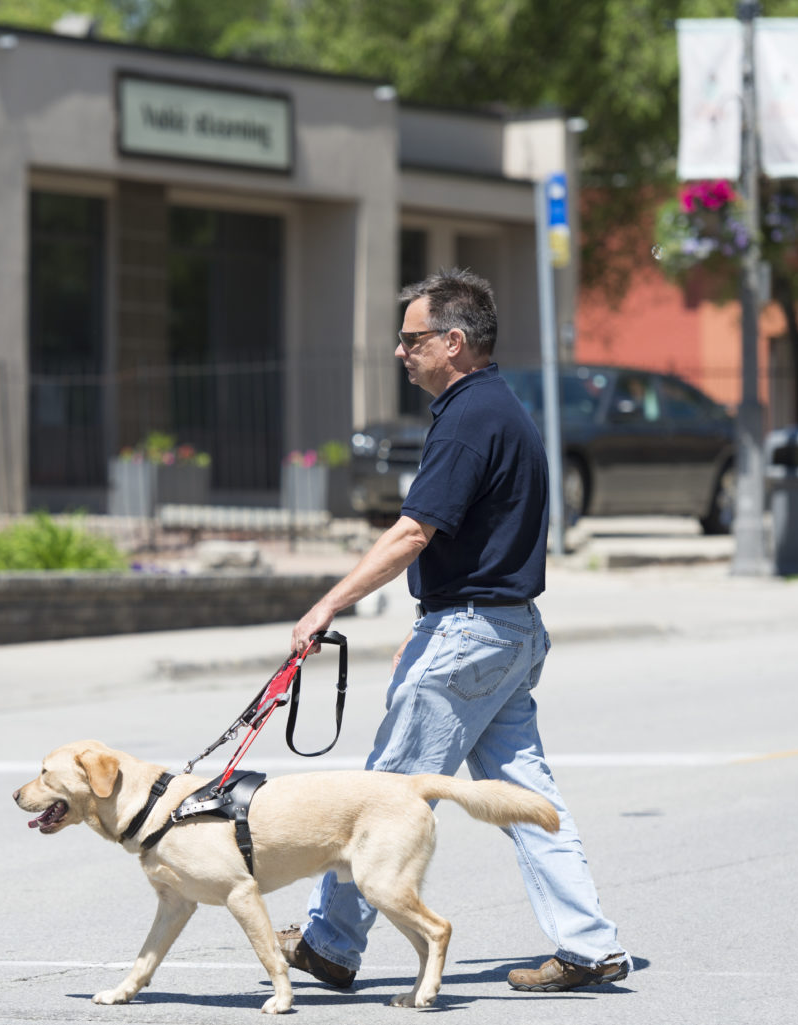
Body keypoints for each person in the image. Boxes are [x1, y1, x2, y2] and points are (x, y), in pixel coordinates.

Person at [277, 268, 630, 994]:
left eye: (412, 339)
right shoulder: (500, 407)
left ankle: (331, 943)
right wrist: (436, 619)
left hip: (474, 635)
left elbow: (412, 532)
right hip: (504, 630)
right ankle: (590, 944)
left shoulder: (469, 418)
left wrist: (327, 605)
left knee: (380, 794)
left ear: (454, 341)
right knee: (528, 799)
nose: (400, 351)